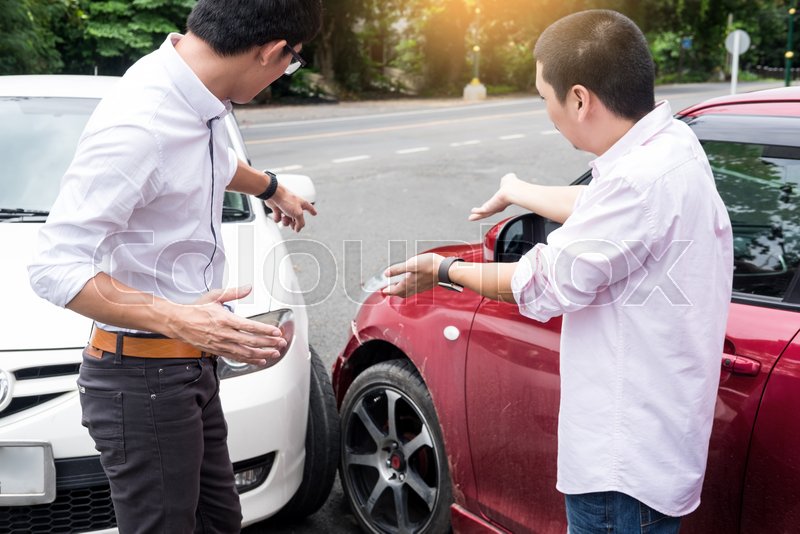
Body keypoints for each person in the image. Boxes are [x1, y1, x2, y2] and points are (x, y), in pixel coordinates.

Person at [384, 9, 733, 534]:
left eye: (545, 97)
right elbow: (604, 206)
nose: (546, 112)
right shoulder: (672, 148)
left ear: (578, 98)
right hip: (653, 450)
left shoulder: (638, 184)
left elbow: (539, 281)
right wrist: (517, 189)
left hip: (621, 472)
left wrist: (444, 269)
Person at [28, 1, 322, 532]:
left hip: (188, 370)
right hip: (142, 381)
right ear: (273, 51)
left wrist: (271, 187)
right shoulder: (141, 121)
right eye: (292, 62)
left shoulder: (193, 89)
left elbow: (202, 158)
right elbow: (53, 265)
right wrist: (180, 318)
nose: (286, 73)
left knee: (219, 523)